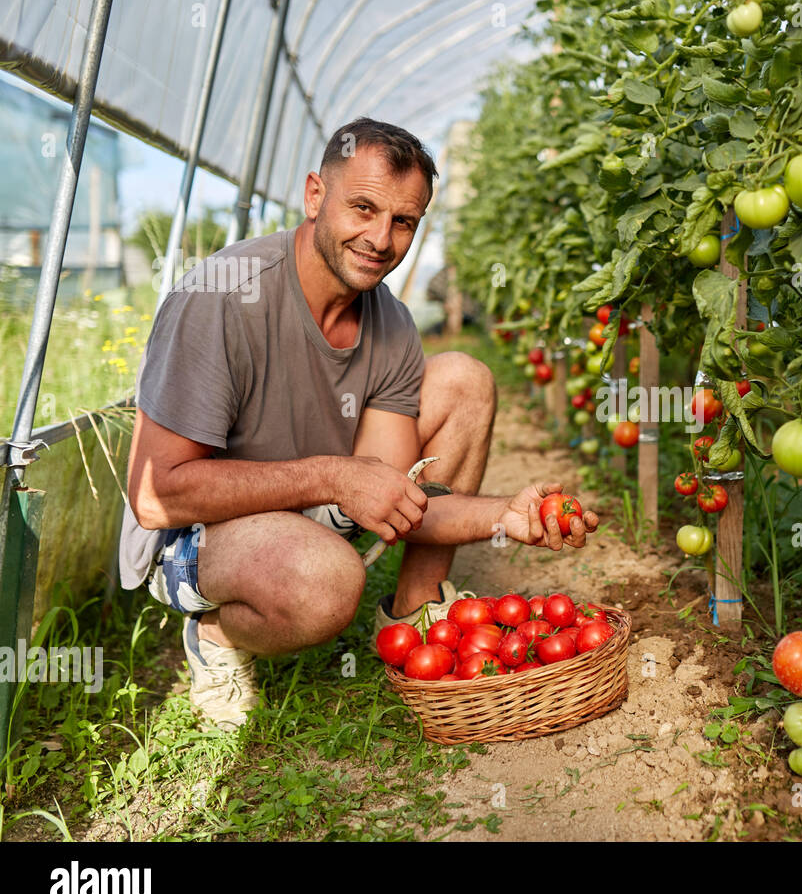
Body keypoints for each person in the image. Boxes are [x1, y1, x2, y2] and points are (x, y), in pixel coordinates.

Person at [117, 118, 597, 730]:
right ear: (316, 195)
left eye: (403, 222)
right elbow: (157, 498)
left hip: (305, 510)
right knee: (327, 583)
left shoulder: (390, 323)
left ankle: (416, 618)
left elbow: (399, 493)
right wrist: (334, 476)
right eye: (363, 208)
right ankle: (215, 635)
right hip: (194, 537)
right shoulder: (222, 298)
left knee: (463, 378)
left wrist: (505, 515)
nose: (380, 238)